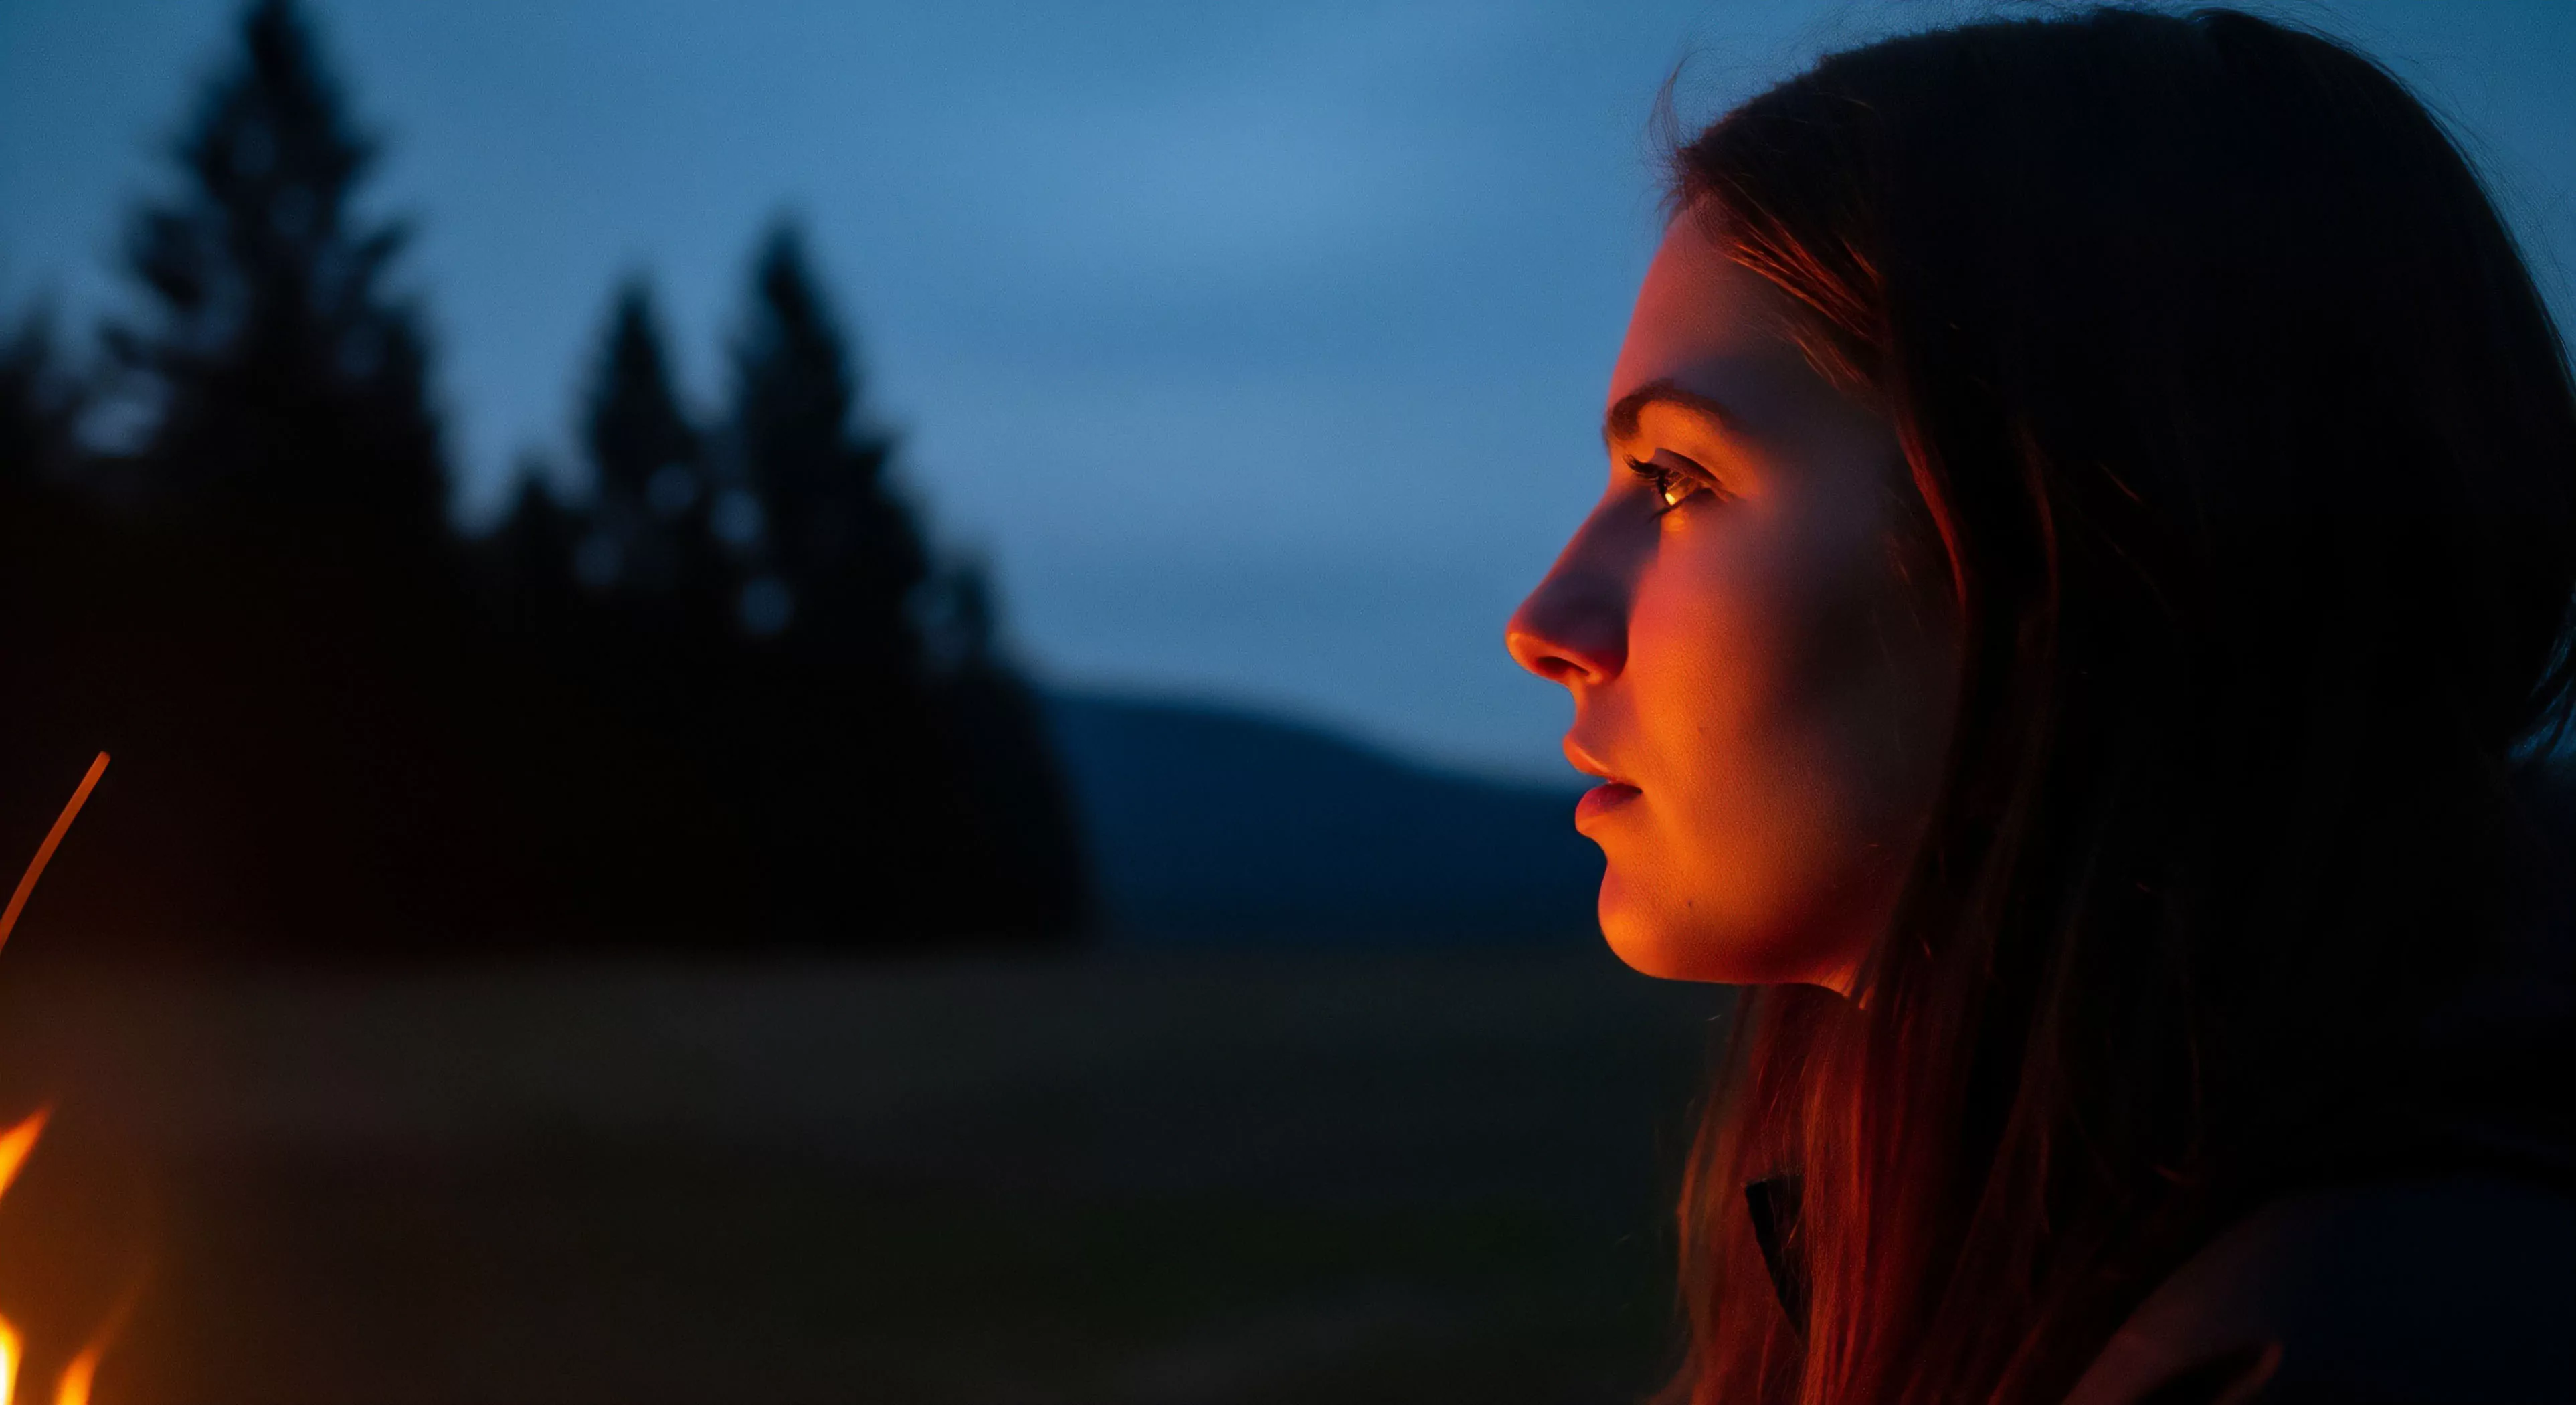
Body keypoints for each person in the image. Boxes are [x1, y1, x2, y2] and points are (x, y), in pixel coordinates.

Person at [1505, 9, 2576, 1404]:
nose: (1546, 626)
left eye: (1678, 481)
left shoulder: (2352, 1347)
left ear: (2088, 534)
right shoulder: (1999, 1234)